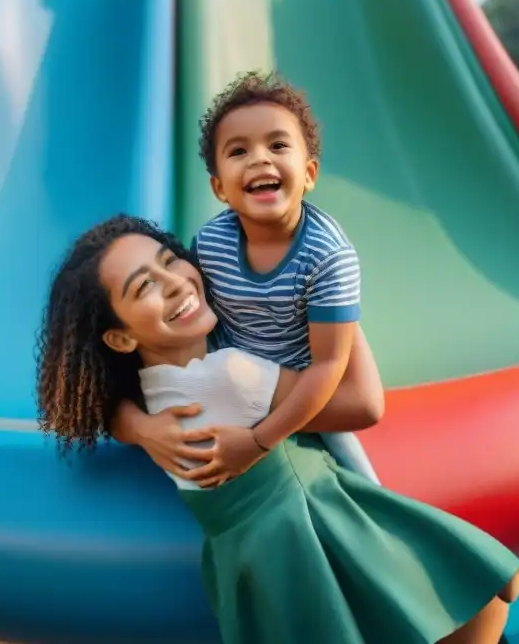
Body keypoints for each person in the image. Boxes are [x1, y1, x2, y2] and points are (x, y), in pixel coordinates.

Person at [35, 214, 519, 644]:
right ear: (119, 336)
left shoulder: (151, 396)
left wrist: (140, 428)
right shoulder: (234, 373)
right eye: (144, 286)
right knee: (478, 598)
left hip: (254, 562)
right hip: (312, 522)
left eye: (170, 261)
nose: (177, 282)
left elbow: (107, 412)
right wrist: (330, 299)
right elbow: (361, 403)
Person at [111, 70, 381, 487]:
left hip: (297, 383)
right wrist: (142, 424)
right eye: (239, 151)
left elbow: (329, 364)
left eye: (277, 145)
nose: (260, 158)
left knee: (352, 467)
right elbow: (195, 312)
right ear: (220, 188)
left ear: (309, 173)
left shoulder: (328, 256)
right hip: (231, 372)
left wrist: (259, 440)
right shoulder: (213, 242)